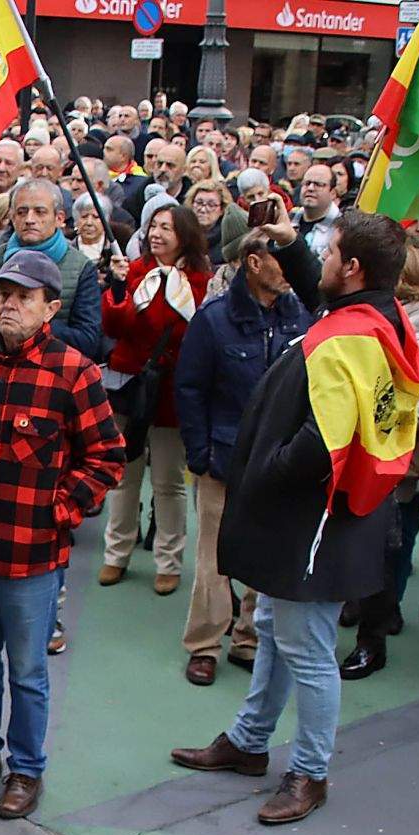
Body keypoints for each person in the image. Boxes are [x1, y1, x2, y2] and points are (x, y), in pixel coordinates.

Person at [170, 212, 419, 824]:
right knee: (281, 630)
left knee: (306, 650)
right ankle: (250, 742)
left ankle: (310, 772)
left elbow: (322, 443)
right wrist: (292, 243)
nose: (317, 261)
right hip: (326, 517)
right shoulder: (377, 318)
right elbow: (323, 291)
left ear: (353, 267)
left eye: (327, 252)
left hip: (312, 522)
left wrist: (262, 475)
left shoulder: (348, 337)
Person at [0, 250, 124, 819]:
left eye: (24, 297)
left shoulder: (73, 371)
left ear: (50, 308)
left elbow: (107, 457)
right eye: (4, 294)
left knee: (29, 670)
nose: (10, 305)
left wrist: (58, 511)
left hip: (31, 554)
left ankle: (26, 769)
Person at [173, 219, 315, 685]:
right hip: (223, 457)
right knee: (213, 558)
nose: (288, 271)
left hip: (276, 461)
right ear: (253, 264)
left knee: (263, 550)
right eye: (279, 259)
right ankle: (204, 644)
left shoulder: (298, 315)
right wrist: (199, 454)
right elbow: (190, 390)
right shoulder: (213, 320)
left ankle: (249, 636)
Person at [340, 246, 419, 677]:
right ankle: (365, 616)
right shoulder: (398, 324)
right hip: (379, 461)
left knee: (383, 553)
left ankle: (372, 643)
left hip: (390, 464)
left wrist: (382, 419)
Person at [97, 202, 210, 595]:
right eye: (153, 226)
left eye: (166, 227)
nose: (156, 233)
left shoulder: (198, 282)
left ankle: (169, 561)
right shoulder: (135, 273)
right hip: (128, 385)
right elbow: (114, 324)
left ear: (185, 235)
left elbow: (183, 333)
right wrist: (115, 288)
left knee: (167, 481)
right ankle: (116, 554)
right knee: (123, 477)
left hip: (170, 392)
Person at [0, 179, 103, 359]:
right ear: (12, 217)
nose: (29, 220)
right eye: (22, 212)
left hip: (53, 371)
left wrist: (35, 324)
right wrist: (3, 323)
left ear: (59, 218)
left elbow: (87, 341)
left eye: (40, 212)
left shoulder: (81, 267)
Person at [295, 163, 341, 260]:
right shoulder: (288, 219)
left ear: (332, 193)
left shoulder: (341, 229)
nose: (310, 188)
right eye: (307, 183)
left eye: (319, 185)